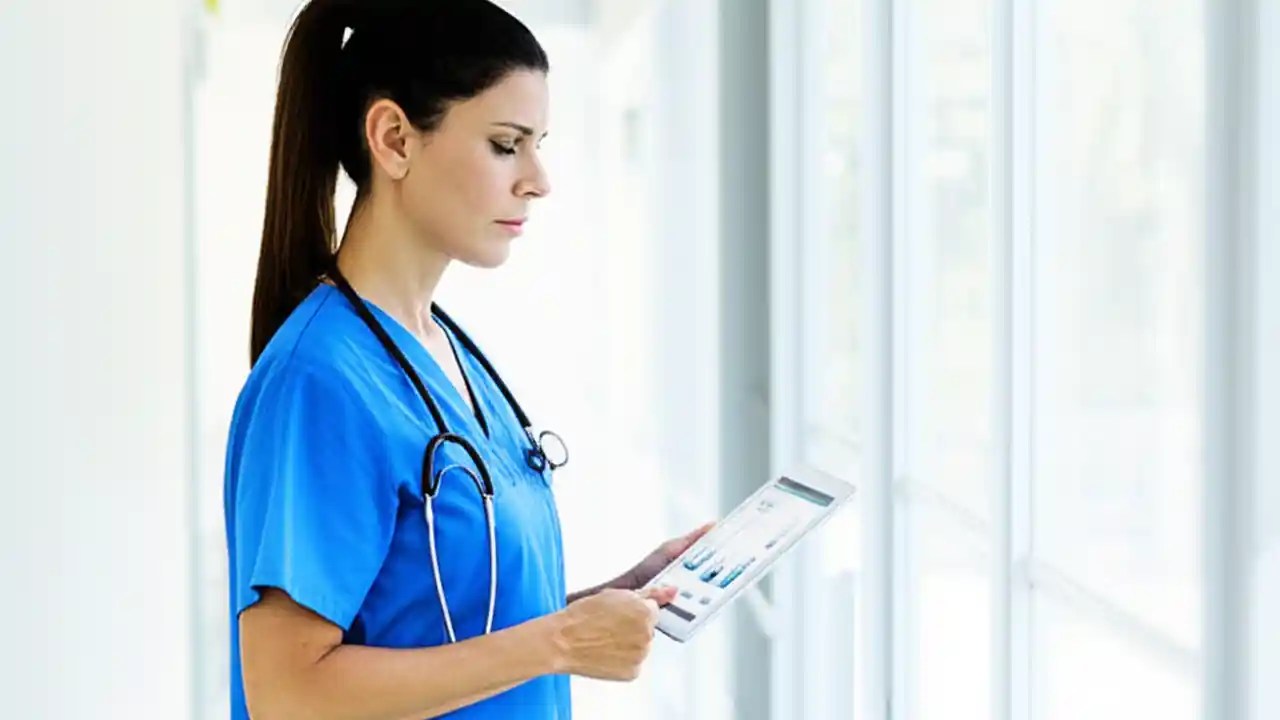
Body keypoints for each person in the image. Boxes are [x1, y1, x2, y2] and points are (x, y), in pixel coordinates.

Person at [222, 1, 711, 717]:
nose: (538, 178)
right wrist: (562, 642)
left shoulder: (440, 350)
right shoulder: (319, 381)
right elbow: (290, 694)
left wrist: (608, 602)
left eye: (539, 143)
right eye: (507, 144)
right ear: (394, 139)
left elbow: (441, 627)